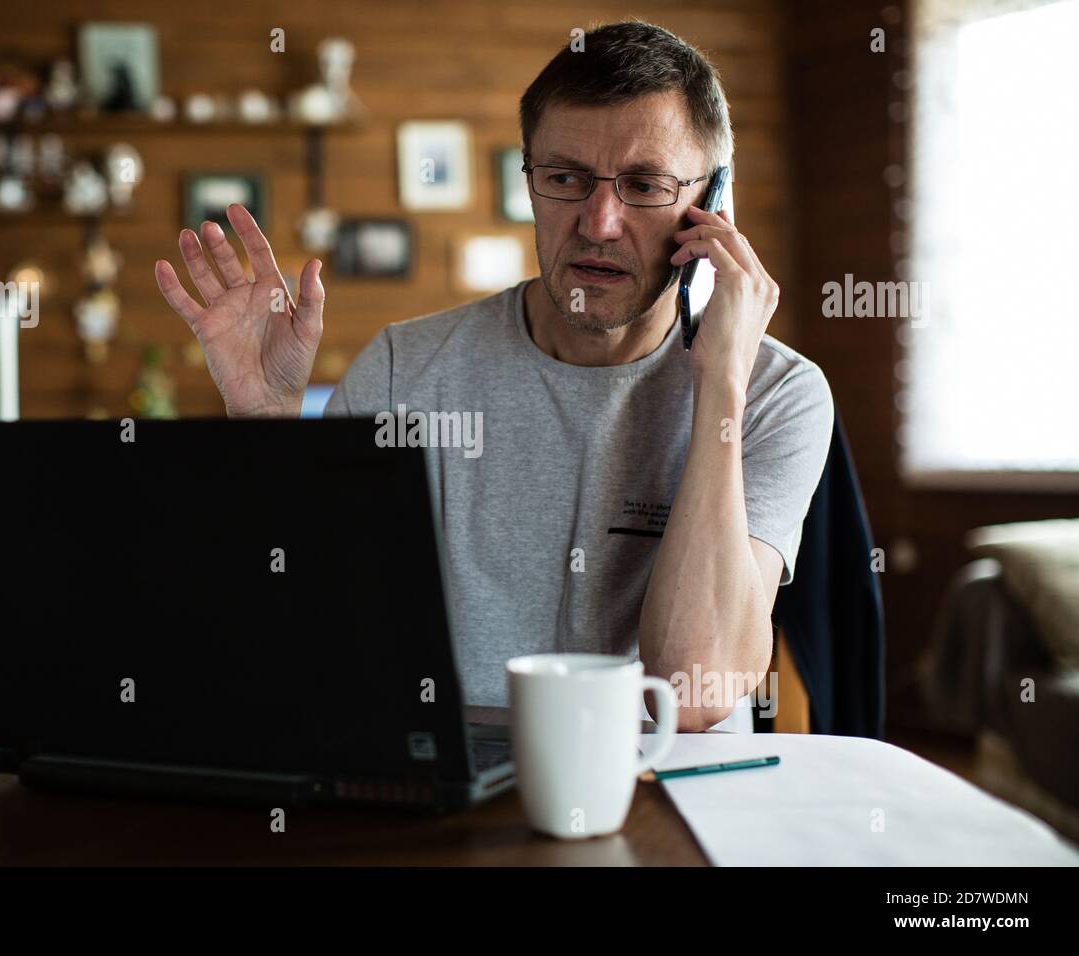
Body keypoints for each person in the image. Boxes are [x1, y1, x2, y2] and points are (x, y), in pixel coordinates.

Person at [154, 21, 833, 732]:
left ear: (713, 206)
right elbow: (303, 636)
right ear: (531, 181)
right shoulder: (403, 370)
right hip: (445, 803)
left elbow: (692, 693)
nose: (599, 223)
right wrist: (265, 425)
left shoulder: (775, 394)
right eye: (566, 178)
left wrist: (720, 378)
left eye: (644, 185)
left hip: (667, 799)